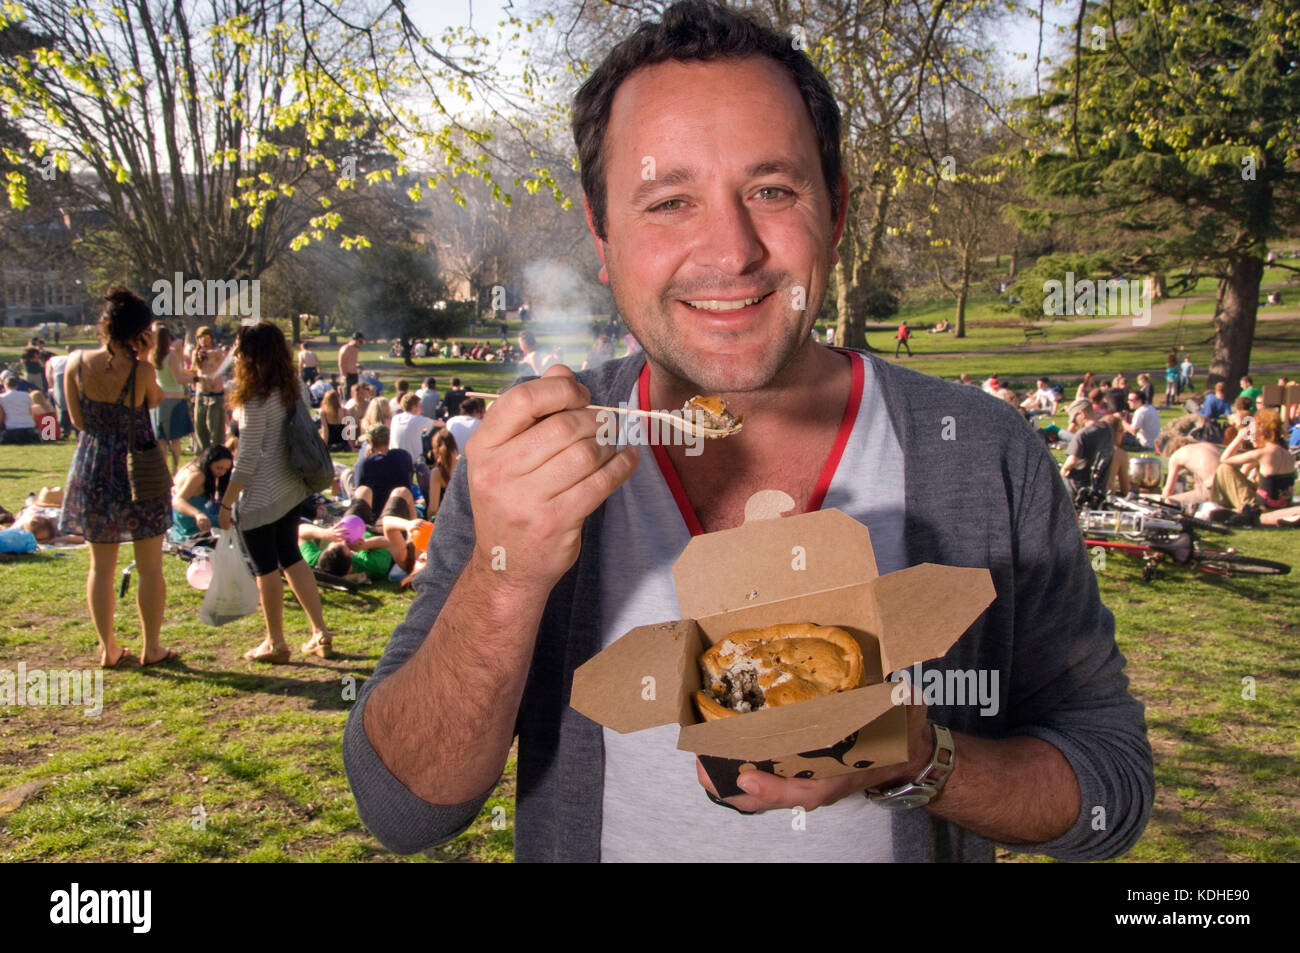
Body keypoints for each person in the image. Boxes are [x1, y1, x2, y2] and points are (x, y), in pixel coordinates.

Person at [345, 1, 1151, 863]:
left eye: (771, 190)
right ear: (602, 233)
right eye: (668, 200)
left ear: (835, 209)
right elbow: (404, 809)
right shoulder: (536, 469)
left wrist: (922, 759)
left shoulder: (982, 453)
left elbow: (1111, 791)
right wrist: (506, 579)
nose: (729, 251)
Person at [59, 287, 177, 668]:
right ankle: (151, 647)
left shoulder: (74, 363)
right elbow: (155, 400)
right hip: (138, 469)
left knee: (101, 567)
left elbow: (77, 421)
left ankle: (107, 648)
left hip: (93, 465)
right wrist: (143, 357)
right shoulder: (142, 370)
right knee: (150, 567)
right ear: (139, 331)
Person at [218, 322, 333, 663]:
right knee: (292, 559)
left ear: (250, 356)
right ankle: (320, 632)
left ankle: (275, 642)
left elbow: (247, 459)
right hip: (292, 488)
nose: (235, 356)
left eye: (240, 350)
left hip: (259, 497)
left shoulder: (254, 399)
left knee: (265, 568)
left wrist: (226, 503)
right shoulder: (293, 385)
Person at [1213, 409, 1296, 525]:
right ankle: (1223, 506)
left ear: (1261, 432)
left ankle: (1218, 505)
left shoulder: (1263, 453)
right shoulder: (1285, 453)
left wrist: (1239, 437)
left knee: (1224, 469)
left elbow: (1224, 459)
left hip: (1262, 507)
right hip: (1284, 503)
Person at [148, 323, 197, 471]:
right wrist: (195, 379)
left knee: (161, 438)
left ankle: (163, 467)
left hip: (159, 400)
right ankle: (175, 468)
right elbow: (178, 378)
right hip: (175, 399)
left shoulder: (152, 355)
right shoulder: (171, 356)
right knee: (175, 438)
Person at [170, 444, 233, 541]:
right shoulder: (199, 476)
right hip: (189, 521)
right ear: (209, 462)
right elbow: (177, 501)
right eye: (219, 468)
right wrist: (198, 514)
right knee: (231, 522)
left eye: (226, 469)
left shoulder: (191, 465)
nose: (222, 473)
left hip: (176, 519)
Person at [353, 423, 413, 515]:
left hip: (375, 514)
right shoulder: (404, 457)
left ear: (371, 442)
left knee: (347, 475)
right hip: (402, 511)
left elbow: (360, 495)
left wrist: (369, 458)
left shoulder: (365, 464)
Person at [390, 392, 438, 500]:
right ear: (414, 406)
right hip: (413, 460)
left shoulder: (395, 418)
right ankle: (428, 497)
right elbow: (438, 424)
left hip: (394, 457)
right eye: (419, 405)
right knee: (422, 467)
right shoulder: (419, 419)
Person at [1157, 433, 1221, 512]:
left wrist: (1159, 502)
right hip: (1225, 485)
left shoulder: (1176, 456)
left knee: (1169, 501)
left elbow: (1168, 492)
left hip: (1213, 490)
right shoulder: (1206, 445)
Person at [192, 326, 228, 450]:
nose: (204, 340)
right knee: (200, 428)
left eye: (206, 337)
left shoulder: (216, 352)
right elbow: (194, 371)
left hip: (215, 395)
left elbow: (221, 358)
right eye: (201, 338)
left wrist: (209, 354)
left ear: (211, 339)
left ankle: (217, 452)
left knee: (216, 430)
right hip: (201, 394)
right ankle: (202, 454)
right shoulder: (196, 354)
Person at [0, 372, 41, 443]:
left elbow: (1, 415)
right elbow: (31, 411)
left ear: (5, 385)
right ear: (17, 385)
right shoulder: (26, 395)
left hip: (11, 429)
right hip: (29, 428)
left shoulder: (2, 398)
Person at [338, 332, 364, 396]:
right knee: (347, 395)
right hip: (347, 376)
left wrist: (358, 366)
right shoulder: (346, 348)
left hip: (354, 375)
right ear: (355, 339)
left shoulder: (355, 349)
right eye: (360, 341)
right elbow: (341, 363)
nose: (361, 344)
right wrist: (344, 376)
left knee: (355, 395)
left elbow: (351, 362)